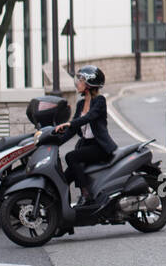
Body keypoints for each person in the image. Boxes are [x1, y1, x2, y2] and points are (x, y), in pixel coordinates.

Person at [44, 66, 117, 202]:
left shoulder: (100, 101)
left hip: (100, 146)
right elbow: (72, 130)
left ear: (90, 84)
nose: (78, 83)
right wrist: (54, 142)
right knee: (65, 178)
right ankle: (63, 211)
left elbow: (89, 117)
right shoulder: (80, 104)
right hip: (86, 146)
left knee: (71, 157)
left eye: (81, 80)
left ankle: (85, 194)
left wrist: (70, 123)